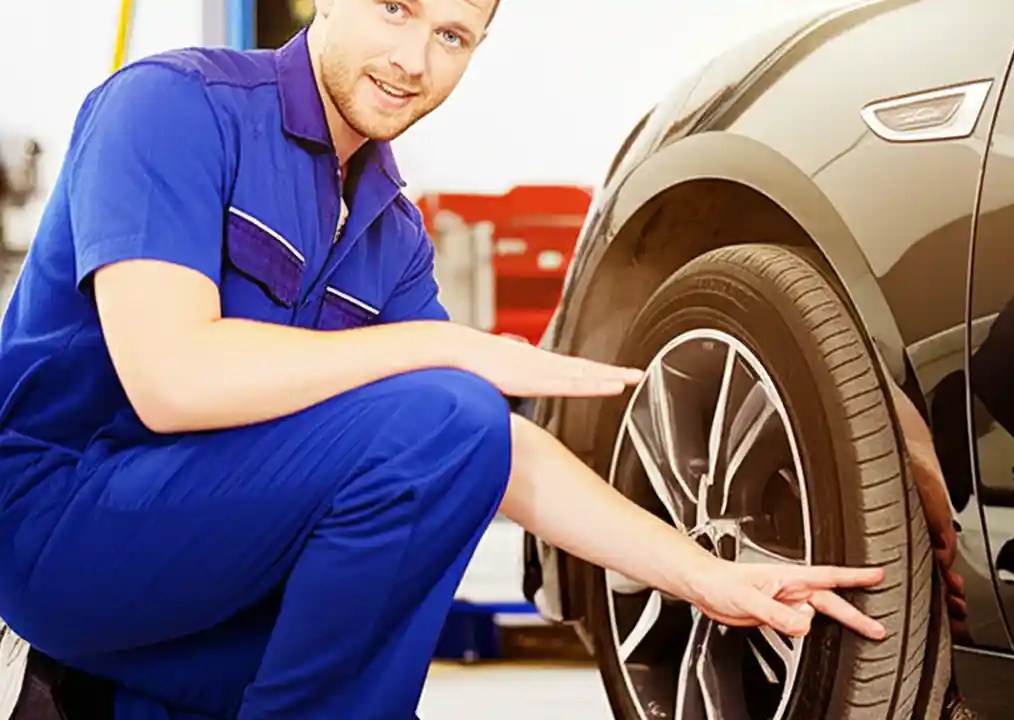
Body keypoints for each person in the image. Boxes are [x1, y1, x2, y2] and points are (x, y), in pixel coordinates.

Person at [0, 1, 892, 717]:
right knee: (447, 416)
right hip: (64, 531)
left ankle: (102, 695)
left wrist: (706, 576)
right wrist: (450, 346)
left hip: (208, 561)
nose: (414, 61)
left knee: (446, 454)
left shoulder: (390, 232)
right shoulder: (173, 107)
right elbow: (172, 380)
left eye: (453, 36)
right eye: (395, 8)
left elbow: (491, 450)